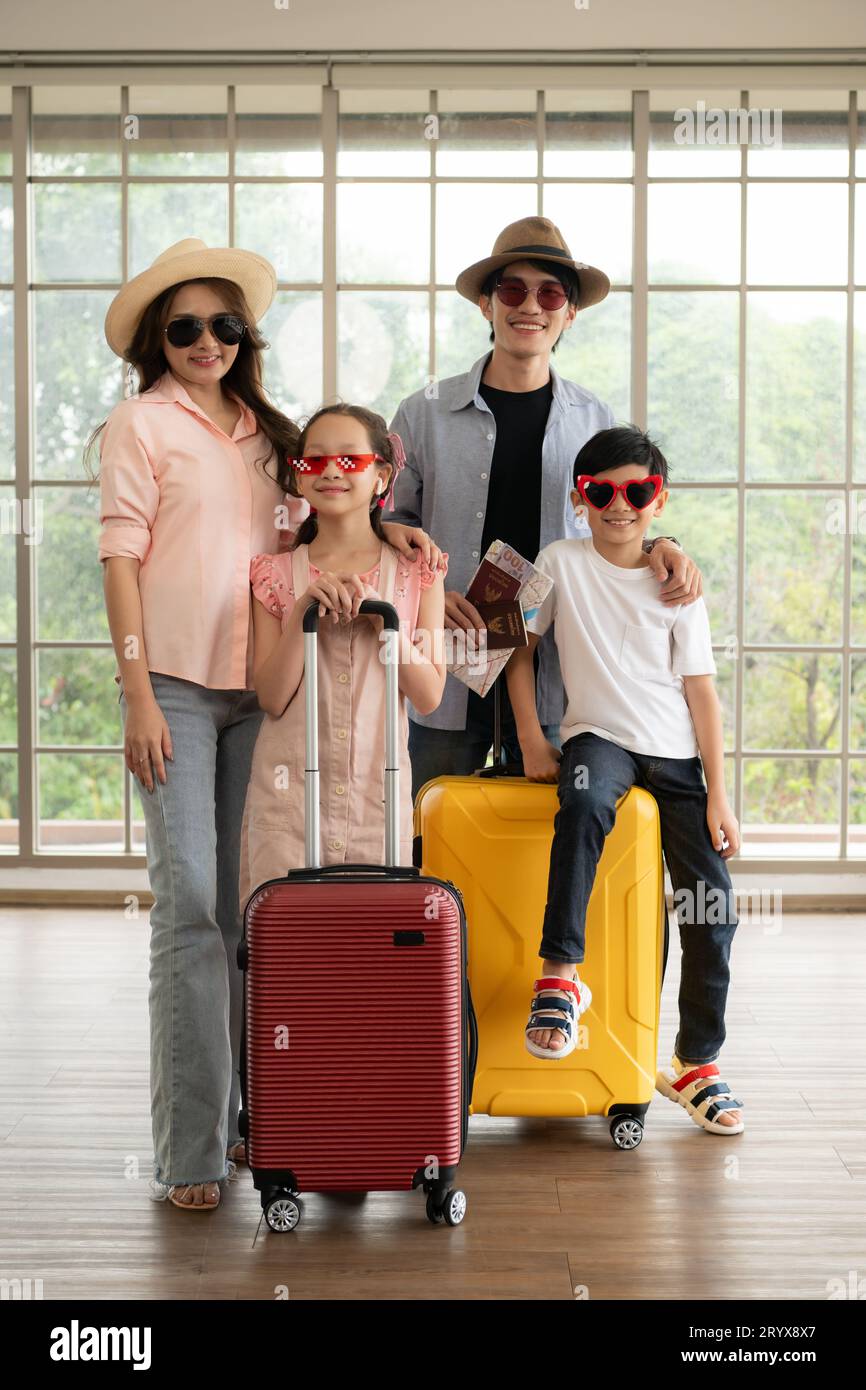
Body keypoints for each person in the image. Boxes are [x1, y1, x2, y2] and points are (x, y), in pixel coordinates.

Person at [94, 238, 310, 1213]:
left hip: (259, 696)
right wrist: (136, 692)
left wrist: (390, 532)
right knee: (188, 908)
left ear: (243, 336)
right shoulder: (139, 425)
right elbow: (121, 563)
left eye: (225, 325)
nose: (207, 341)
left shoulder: (271, 435)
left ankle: (246, 1114)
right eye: (185, 327)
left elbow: (325, 524)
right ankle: (192, 1148)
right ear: (158, 340)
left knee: (246, 914)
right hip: (173, 690)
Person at [387, 216, 702, 800]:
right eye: (511, 290)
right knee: (423, 829)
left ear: (570, 312)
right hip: (447, 657)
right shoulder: (422, 413)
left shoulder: (595, 418)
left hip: (556, 665)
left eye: (550, 292)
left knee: (544, 840)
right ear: (486, 304)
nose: (529, 305)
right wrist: (427, 594)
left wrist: (664, 546)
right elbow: (387, 526)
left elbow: (623, 513)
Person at [506, 425, 744, 1135]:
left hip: (674, 757)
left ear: (658, 498)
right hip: (596, 739)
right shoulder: (559, 561)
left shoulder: (678, 584)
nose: (620, 505)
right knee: (580, 805)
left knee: (713, 905)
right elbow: (512, 646)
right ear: (580, 499)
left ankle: (697, 1062)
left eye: (637, 492)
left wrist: (720, 795)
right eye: (602, 491)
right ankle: (560, 978)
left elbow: (701, 693)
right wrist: (529, 737)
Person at [238, 404, 448, 901]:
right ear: (298, 476)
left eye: (350, 460)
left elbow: (429, 694)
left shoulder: (418, 572)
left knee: (367, 951)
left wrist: (386, 627)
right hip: (289, 801)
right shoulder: (273, 572)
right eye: (314, 461)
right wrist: (303, 611)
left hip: (377, 801)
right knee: (289, 946)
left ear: (381, 477)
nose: (331, 470)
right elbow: (270, 695)